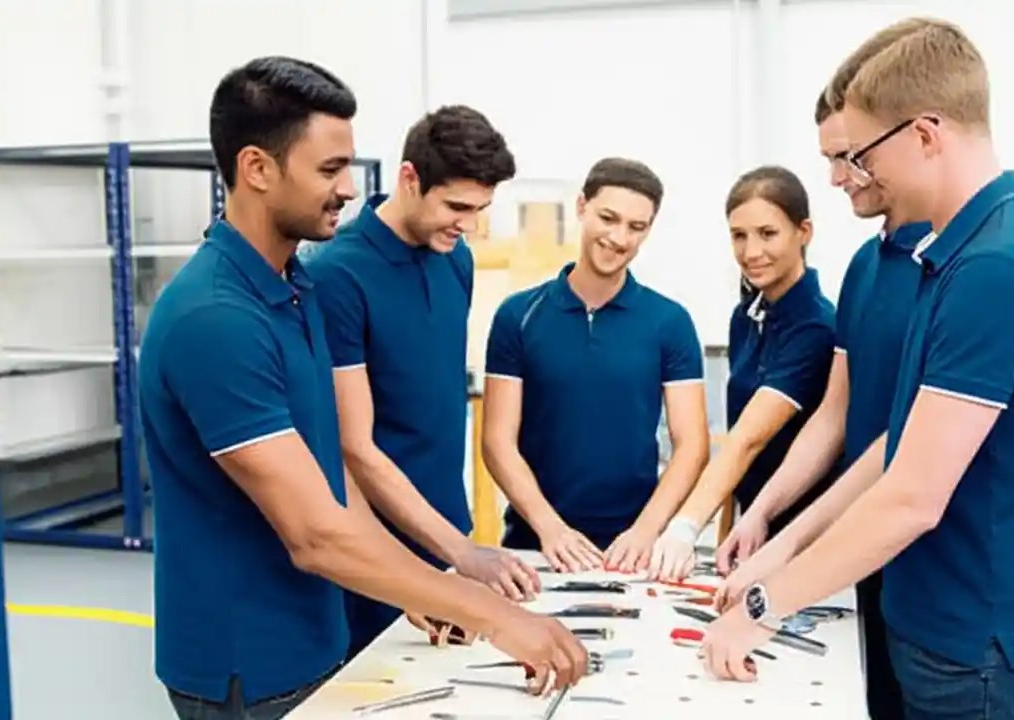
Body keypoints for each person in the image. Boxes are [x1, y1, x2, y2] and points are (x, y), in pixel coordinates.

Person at [139, 56, 588, 720]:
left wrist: (420, 584)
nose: (349, 189)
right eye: (329, 170)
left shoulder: (293, 289)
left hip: (317, 634)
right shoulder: (216, 319)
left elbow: (334, 474)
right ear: (257, 168)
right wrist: (489, 611)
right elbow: (316, 533)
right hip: (250, 663)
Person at [701, 19, 1014, 720]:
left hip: (980, 648)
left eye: (862, 154)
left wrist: (764, 606)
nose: (849, 175)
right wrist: (781, 551)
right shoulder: (953, 257)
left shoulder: (996, 270)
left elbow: (912, 497)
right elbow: (894, 449)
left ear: (925, 134)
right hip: (936, 626)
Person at [712, 23, 934, 720]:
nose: (839, 177)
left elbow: (902, 452)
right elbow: (836, 418)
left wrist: (778, 563)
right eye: (834, 158)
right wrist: (762, 516)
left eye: (851, 157)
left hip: (929, 576)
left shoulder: (959, 270)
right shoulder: (868, 266)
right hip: (855, 560)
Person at [304, 105, 540, 659]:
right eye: (456, 207)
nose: (468, 225)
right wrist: (459, 552)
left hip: (447, 531)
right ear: (409, 178)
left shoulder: (454, 258)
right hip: (376, 551)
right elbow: (355, 447)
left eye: (480, 210)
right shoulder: (336, 275)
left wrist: (459, 548)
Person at [482, 157, 710, 573]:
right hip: (535, 547)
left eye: (636, 227)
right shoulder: (518, 316)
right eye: (608, 218)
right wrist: (551, 529)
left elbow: (692, 444)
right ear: (582, 207)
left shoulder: (670, 322)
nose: (619, 238)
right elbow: (497, 441)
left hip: (633, 551)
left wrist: (646, 531)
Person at [646, 165, 837, 582]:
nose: (751, 251)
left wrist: (683, 528)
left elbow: (749, 440)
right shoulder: (745, 318)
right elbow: (737, 442)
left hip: (801, 539)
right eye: (739, 235)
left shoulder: (816, 328)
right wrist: (722, 539)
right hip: (748, 537)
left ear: (803, 232)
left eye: (767, 234)